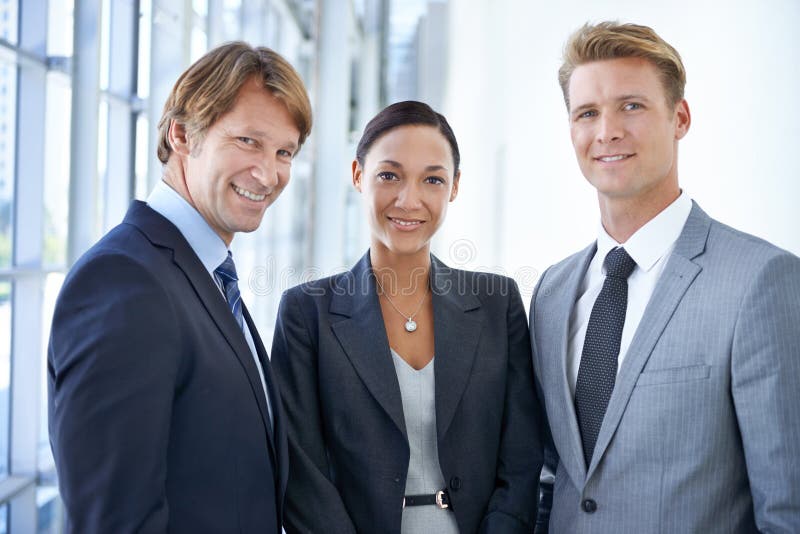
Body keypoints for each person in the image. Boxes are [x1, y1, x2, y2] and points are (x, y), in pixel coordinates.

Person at [529, 21, 800, 533]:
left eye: (631, 105)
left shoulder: (760, 281)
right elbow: (552, 479)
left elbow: (787, 508)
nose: (607, 131)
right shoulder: (552, 292)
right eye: (587, 113)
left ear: (680, 117)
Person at [48, 42, 312, 533]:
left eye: (284, 152)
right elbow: (114, 521)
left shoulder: (204, 276)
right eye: (248, 142)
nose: (269, 173)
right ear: (183, 134)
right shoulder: (123, 282)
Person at [271, 101, 543, 534]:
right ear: (359, 176)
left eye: (432, 179)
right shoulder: (307, 314)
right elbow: (301, 473)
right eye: (389, 175)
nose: (408, 199)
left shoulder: (498, 305)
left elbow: (523, 458)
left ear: (453, 187)